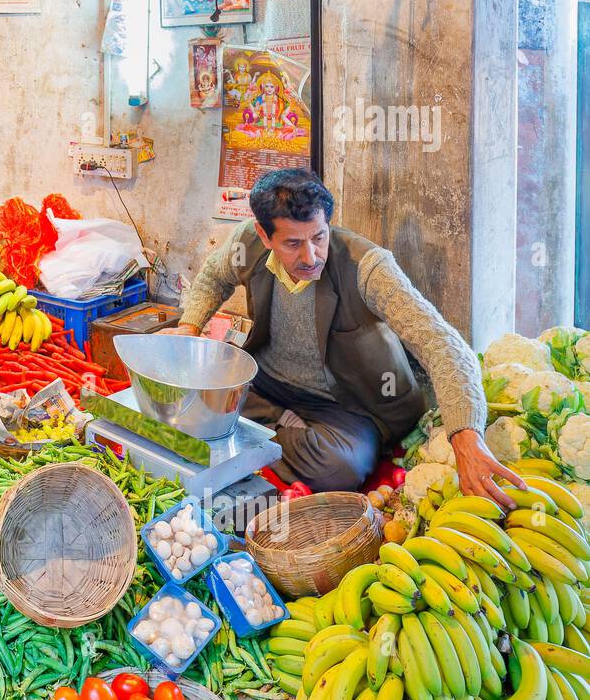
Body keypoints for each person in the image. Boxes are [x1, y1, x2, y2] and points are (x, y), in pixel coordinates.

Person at [166, 169, 522, 506]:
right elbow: (214, 276)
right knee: (192, 399)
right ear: (264, 234)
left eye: (318, 237)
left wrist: (466, 435)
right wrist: (189, 327)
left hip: (349, 406)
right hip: (268, 383)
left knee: (340, 468)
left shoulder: (367, 266)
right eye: (292, 243)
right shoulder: (247, 242)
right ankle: (274, 424)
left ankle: (250, 433)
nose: (310, 256)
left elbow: (442, 344)